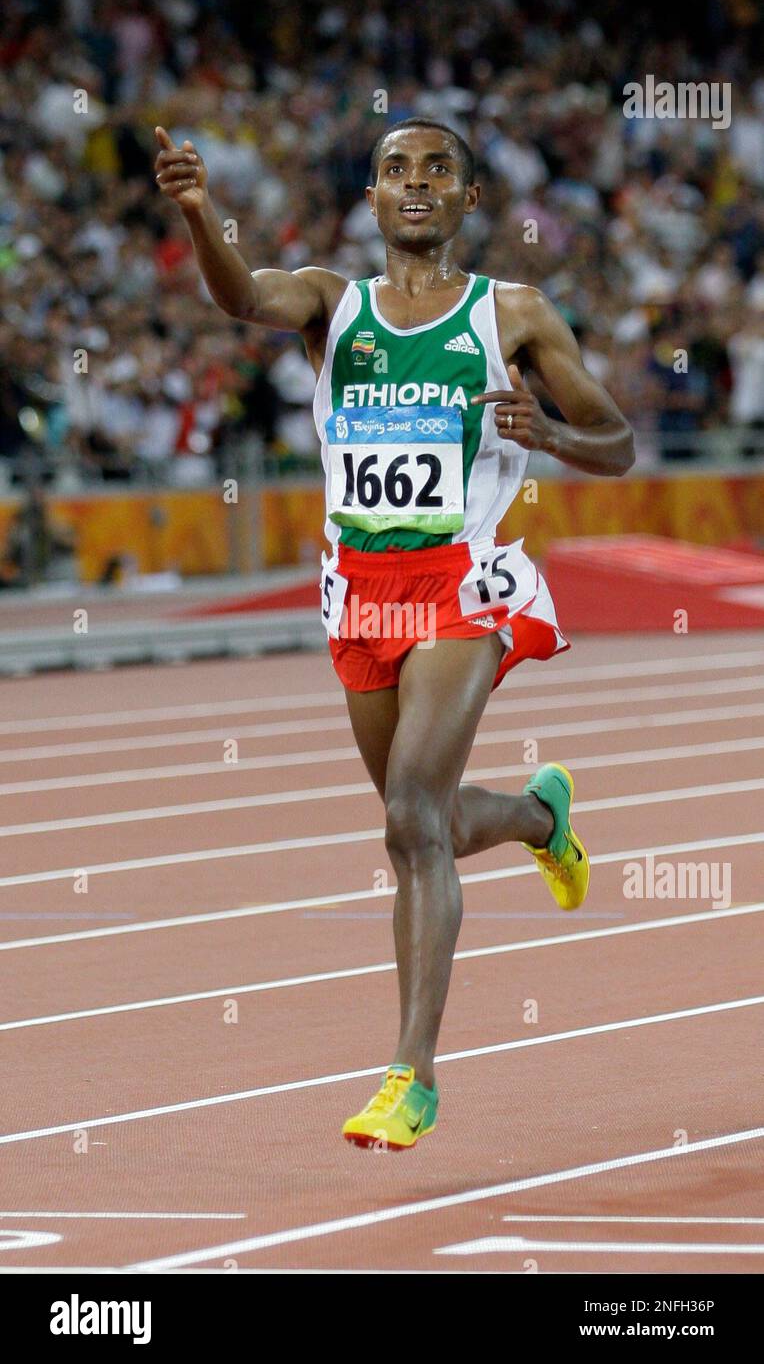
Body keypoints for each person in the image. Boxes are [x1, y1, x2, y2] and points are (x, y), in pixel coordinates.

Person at [155, 117, 634, 1151]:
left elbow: (619, 441)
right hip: (359, 591)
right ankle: (539, 818)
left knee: (409, 815)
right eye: (393, 170)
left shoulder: (511, 312)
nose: (414, 183)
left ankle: (409, 1075)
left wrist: (552, 434)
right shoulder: (334, 304)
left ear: (468, 200)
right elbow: (241, 298)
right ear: (371, 200)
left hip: (461, 581)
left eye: (437, 169)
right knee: (427, 824)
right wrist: (199, 213)